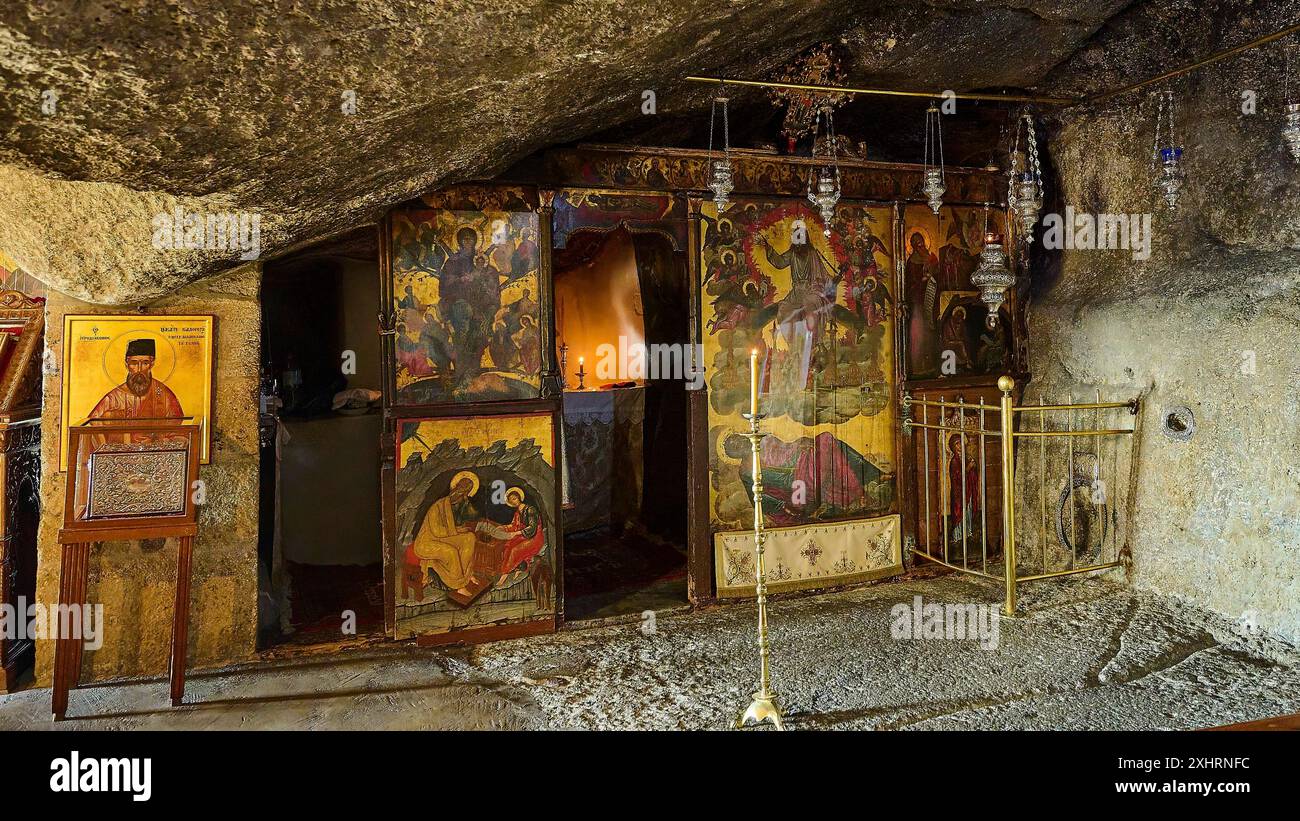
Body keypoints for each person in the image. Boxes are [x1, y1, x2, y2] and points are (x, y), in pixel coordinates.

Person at [409, 472, 483, 596]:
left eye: (465, 493)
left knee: (469, 538)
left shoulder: (457, 506)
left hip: (441, 539)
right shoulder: (438, 506)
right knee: (451, 552)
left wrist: (461, 530)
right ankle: (459, 586)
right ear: (455, 489)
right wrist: (458, 531)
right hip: (426, 542)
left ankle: (466, 576)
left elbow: (471, 516)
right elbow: (437, 531)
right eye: (460, 492)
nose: (461, 496)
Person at [87, 338, 184, 421]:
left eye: (145, 363)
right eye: (134, 363)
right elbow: (92, 425)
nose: (139, 369)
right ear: (127, 364)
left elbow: (179, 430)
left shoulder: (164, 395)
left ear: (152, 364)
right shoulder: (113, 398)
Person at [498, 487, 545, 574]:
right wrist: (504, 527)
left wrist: (516, 533)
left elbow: (532, 528)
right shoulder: (517, 513)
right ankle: (509, 569)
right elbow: (514, 525)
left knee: (514, 550)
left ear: (519, 497)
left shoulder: (530, 509)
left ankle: (507, 571)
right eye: (511, 501)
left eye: (514, 499)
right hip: (524, 536)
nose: (513, 502)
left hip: (534, 536)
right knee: (508, 546)